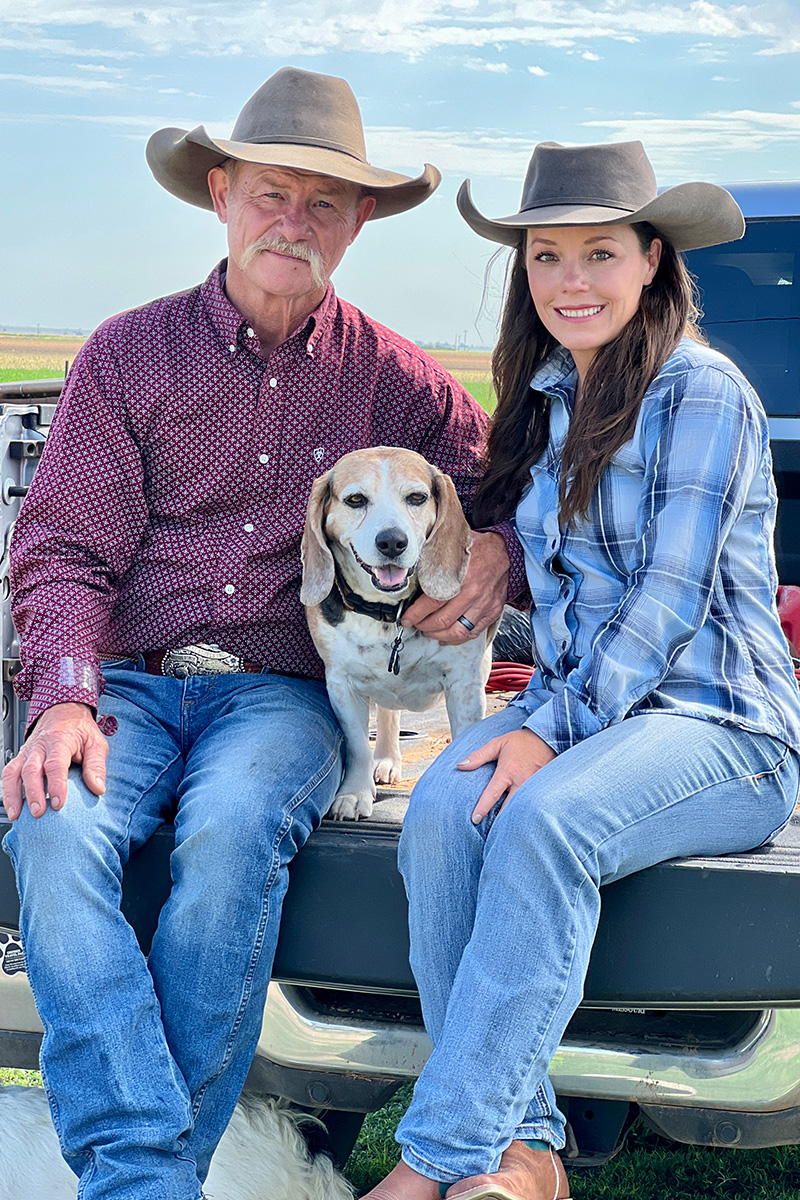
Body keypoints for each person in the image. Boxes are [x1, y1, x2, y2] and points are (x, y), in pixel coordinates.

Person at [1, 67, 517, 1200]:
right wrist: (66, 696)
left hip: (284, 696)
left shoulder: (397, 379)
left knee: (235, 836)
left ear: (360, 224)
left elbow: (499, 489)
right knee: (49, 832)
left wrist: (489, 552)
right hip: (127, 686)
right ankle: (152, 1172)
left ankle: (141, 1177)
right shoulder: (128, 355)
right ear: (222, 195)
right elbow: (64, 549)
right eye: (271, 192)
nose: (295, 220)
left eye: (324, 203)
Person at [364, 140, 800, 1200]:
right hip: (595, 717)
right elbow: (533, 567)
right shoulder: (551, 398)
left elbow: (664, 601)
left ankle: (433, 1162)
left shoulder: (702, 391)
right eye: (546, 255)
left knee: (542, 818)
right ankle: (524, 1151)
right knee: (436, 809)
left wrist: (542, 731)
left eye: (597, 254)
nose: (570, 280)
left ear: (650, 259)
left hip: (723, 733)